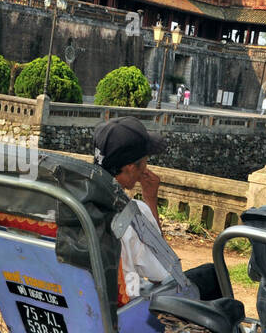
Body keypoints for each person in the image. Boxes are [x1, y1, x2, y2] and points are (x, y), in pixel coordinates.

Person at [92, 118, 218, 299]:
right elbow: (167, 271)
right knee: (211, 274)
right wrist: (151, 200)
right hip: (128, 307)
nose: (145, 169)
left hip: (87, 300)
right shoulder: (133, 213)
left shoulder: (71, 201)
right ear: (129, 167)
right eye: (144, 162)